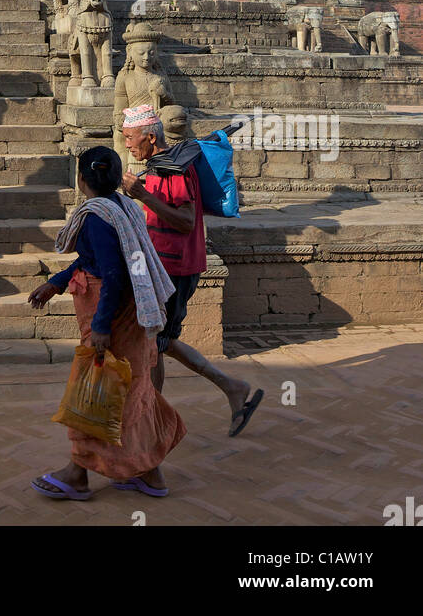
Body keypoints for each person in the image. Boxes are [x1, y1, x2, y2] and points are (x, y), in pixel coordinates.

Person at [28, 146, 186, 501]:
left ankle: (78, 474)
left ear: (81, 179)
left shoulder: (97, 216)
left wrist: (101, 326)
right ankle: (149, 472)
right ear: (116, 180)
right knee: (131, 390)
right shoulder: (124, 208)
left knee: (95, 390)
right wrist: (55, 283)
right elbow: (92, 260)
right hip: (131, 312)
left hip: (112, 316)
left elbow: (113, 274)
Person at [120, 105, 263, 437]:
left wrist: (141, 195)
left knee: (157, 341)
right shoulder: (157, 167)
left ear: (149, 137)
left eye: (129, 138)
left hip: (178, 266)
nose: (127, 145)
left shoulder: (176, 171)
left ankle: (154, 417)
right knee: (158, 341)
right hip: (163, 264)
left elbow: (185, 221)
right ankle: (229, 389)